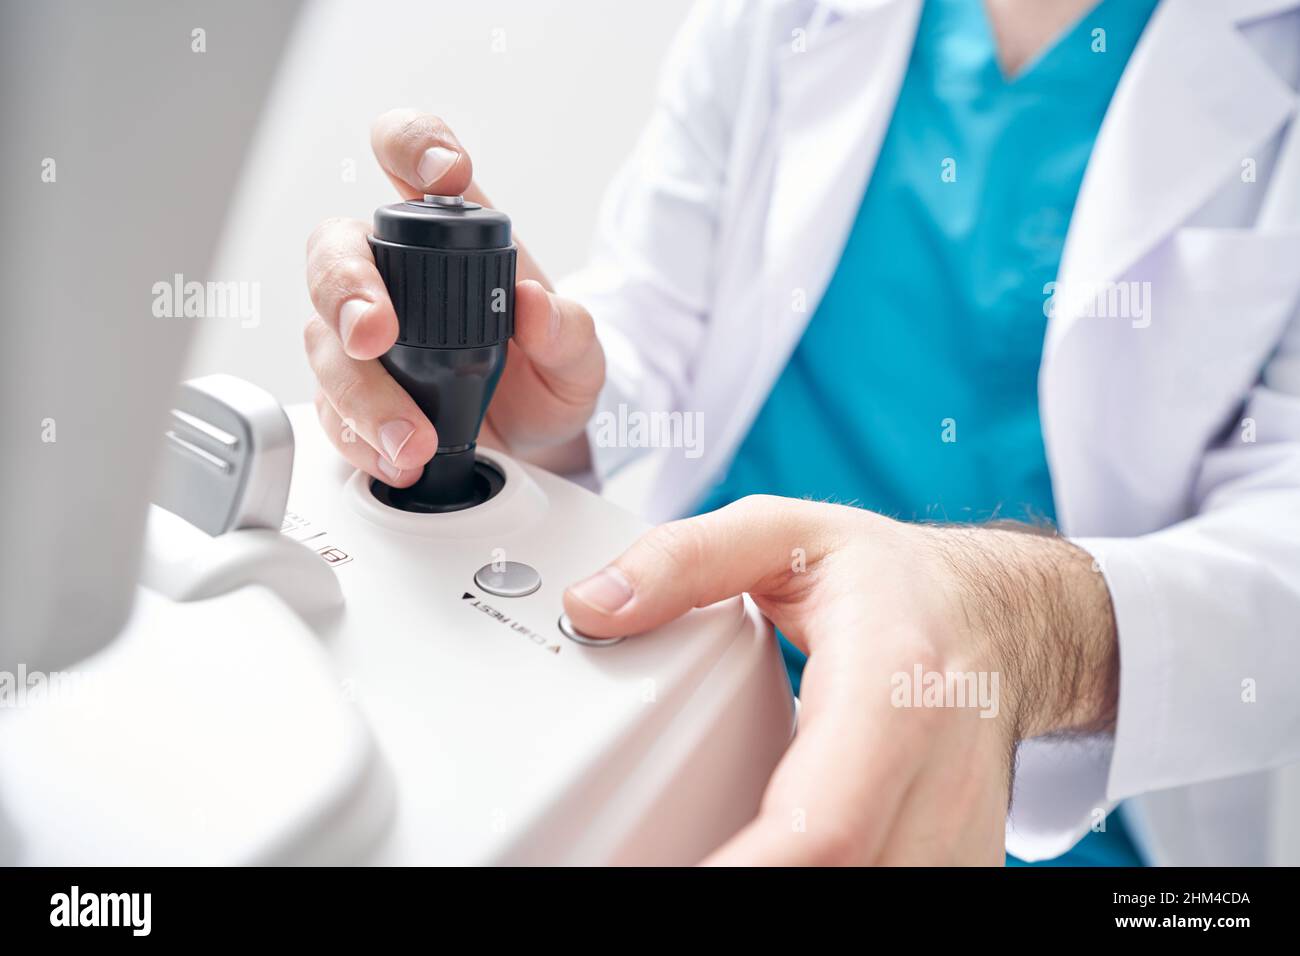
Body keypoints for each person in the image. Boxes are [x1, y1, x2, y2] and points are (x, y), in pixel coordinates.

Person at [301, 0, 1300, 865]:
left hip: (1067, 808)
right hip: (685, 691)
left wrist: (1016, 624)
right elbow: (653, 317)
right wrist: (519, 381)